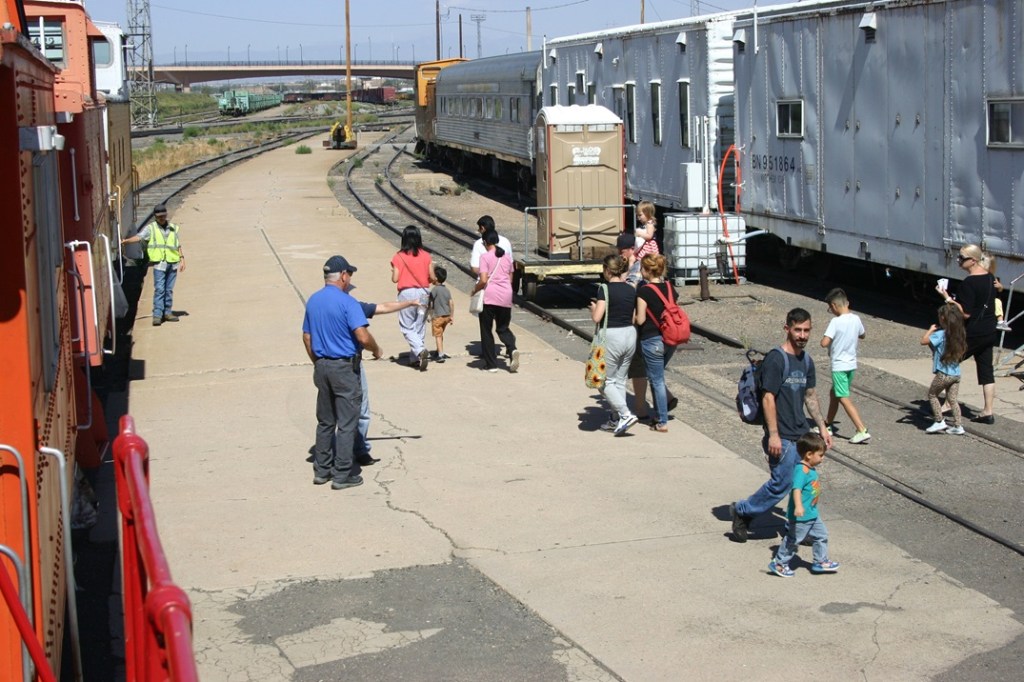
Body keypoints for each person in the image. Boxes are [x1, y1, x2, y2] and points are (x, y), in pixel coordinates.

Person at [730, 308, 832, 543]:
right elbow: (768, 398)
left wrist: (823, 428)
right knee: (781, 484)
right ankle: (743, 511)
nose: (802, 335)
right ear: (787, 329)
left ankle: (799, 528)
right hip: (782, 436)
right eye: (798, 330)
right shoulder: (776, 359)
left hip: (802, 435)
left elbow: (810, 396)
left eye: (806, 330)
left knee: (804, 483)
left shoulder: (806, 361)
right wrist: (773, 435)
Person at [302, 256, 382, 490]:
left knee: (325, 421)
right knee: (347, 423)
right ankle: (342, 474)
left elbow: (307, 336)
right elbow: (362, 336)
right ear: (343, 276)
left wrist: (317, 361)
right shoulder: (348, 302)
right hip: (344, 368)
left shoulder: (313, 301)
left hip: (322, 366)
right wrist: (376, 349)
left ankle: (322, 470)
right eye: (350, 275)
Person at [937, 244, 997, 423]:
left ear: (973, 260)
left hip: (972, 332)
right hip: (989, 330)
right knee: (986, 371)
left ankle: (948, 404)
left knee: (950, 363)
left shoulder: (969, 283)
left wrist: (947, 298)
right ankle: (988, 411)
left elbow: (965, 313)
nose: (958, 260)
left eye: (961, 258)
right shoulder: (990, 277)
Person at [767, 432, 840, 577]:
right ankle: (779, 563)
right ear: (809, 454)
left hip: (812, 513)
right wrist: (799, 506)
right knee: (794, 540)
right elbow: (796, 489)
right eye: (820, 455)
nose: (822, 458)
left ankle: (820, 561)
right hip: (801, 516)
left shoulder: (810, 469)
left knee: (821, 535)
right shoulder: (801, 470)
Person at [589, 254, 639, 435]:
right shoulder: (631, 289)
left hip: (612, 335)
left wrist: (594, 309)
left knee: (603, 381)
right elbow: (634, 317)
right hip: (630, 334)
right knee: (620, 380)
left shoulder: (605, 289)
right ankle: (616, 419)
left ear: (608, 271)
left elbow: (597, 318)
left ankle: (625, 414)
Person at [120, 203, 185, 326]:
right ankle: (157, 315)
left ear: (166, 215)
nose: (162, 218)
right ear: (155, 216)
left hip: (172, 263)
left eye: (163, 216)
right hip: (160, 264)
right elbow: (139, 237)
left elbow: (177, 244)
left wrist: (182, 258)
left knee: (169, 290)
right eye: (159, 216)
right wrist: (125, 241)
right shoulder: (151, 229)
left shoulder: (173, 228)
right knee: (160, 289)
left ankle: (168, 312)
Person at [820, 288, 870, 444]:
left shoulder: (835, 322)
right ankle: (827, 424)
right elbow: (862, 334)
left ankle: (861, 429)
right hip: (851, 365)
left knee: (842, 396)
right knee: (834, 393)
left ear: (834, 306)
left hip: (839, 365)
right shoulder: (856, 319)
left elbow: (824, 343)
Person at [634, 254, 677, 433]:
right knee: (656, 377)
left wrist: (632, 317)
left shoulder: (644, 291)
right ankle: (659, 415)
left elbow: (641, 319)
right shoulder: (670, 287)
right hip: (671, 340)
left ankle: (662, 421)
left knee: (657, 380)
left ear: (646, 270)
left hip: (652, 340)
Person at [472, 230, 519, 373]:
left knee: (486, 330)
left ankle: (491, 364)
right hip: (506, 295)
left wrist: (475, 289)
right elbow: (510, 279)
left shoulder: (485, 257)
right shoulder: (506, 258)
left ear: (485, 242)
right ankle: (512, 349)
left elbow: (484, 279)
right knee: (502, 328)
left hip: (489, 297)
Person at [391, 225, 435, 371]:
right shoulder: (426, 256)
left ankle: (419, 350)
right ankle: (415, 358)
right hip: (423, 293)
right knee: (420, 324)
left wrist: (393, 271)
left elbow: (395, 279)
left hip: (406, 294)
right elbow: (432, 277)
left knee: (406, 326)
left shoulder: (398, 257)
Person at [921, 303, 967, 435]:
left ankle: (939, 421)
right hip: (956, 374)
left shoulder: (941, 334)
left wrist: (930, 330)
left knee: (932, 394)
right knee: (952, 399)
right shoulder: (959, 334)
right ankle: (958, 425)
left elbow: (924, 341)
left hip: (944, 374)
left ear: (942, 318)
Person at [428, 266, 453, 362]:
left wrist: (429, 315)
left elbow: (430, 303)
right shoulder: (446, 290)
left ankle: (441, 355)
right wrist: (451, 316)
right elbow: (451, 303)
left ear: (436, 278)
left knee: (437, 335)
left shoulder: (434, 290)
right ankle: (438, 350)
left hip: (437, 316)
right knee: (440, 334)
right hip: (446, 316)